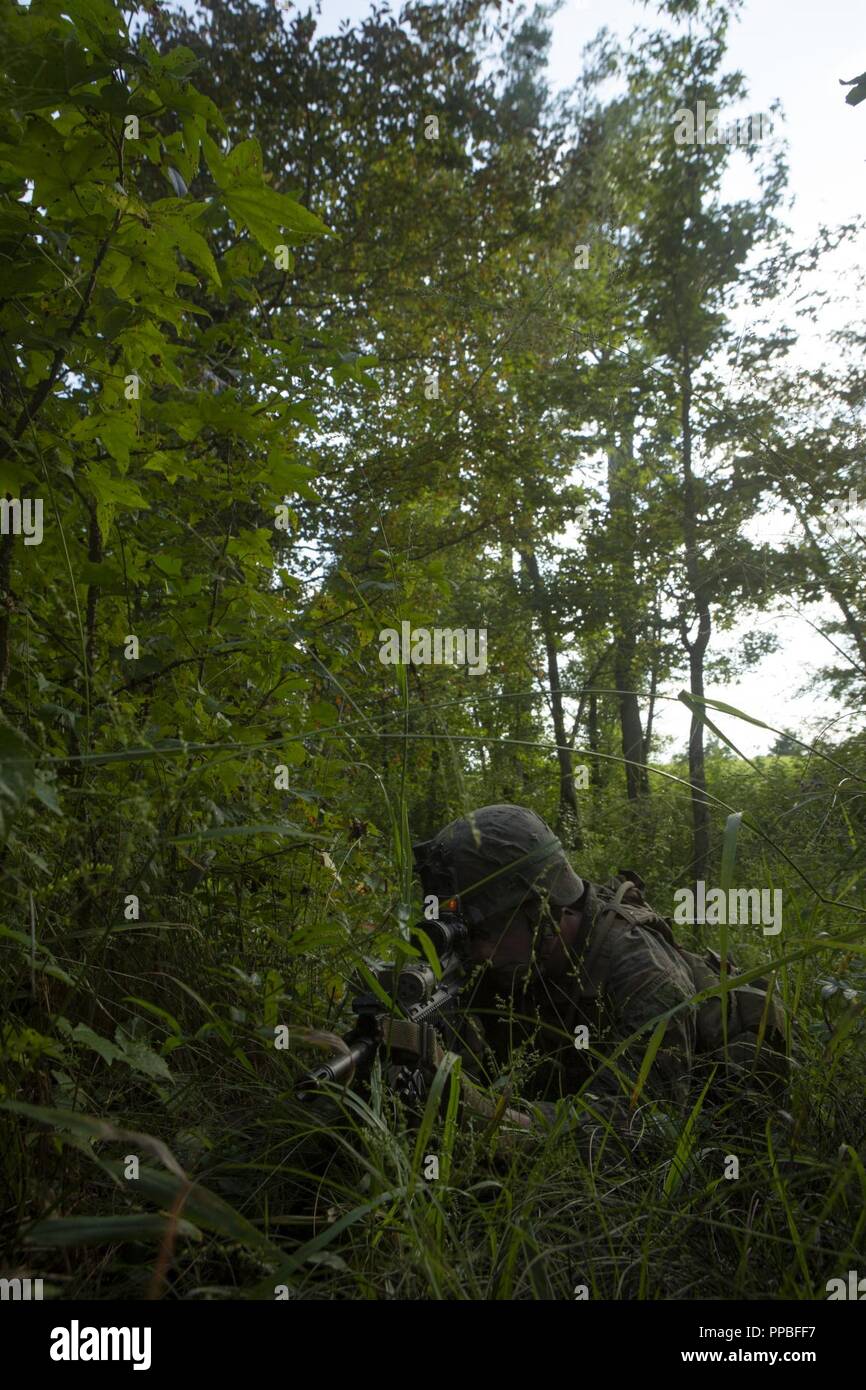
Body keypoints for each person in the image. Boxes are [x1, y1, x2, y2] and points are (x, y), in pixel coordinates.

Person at [412, 804, 789, 1140]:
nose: (476, 952)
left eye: (485, 930)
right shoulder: (509, 957)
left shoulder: (644, 974)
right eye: (463, 933)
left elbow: (634, 1126)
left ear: (545, 909)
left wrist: (489, 1117)